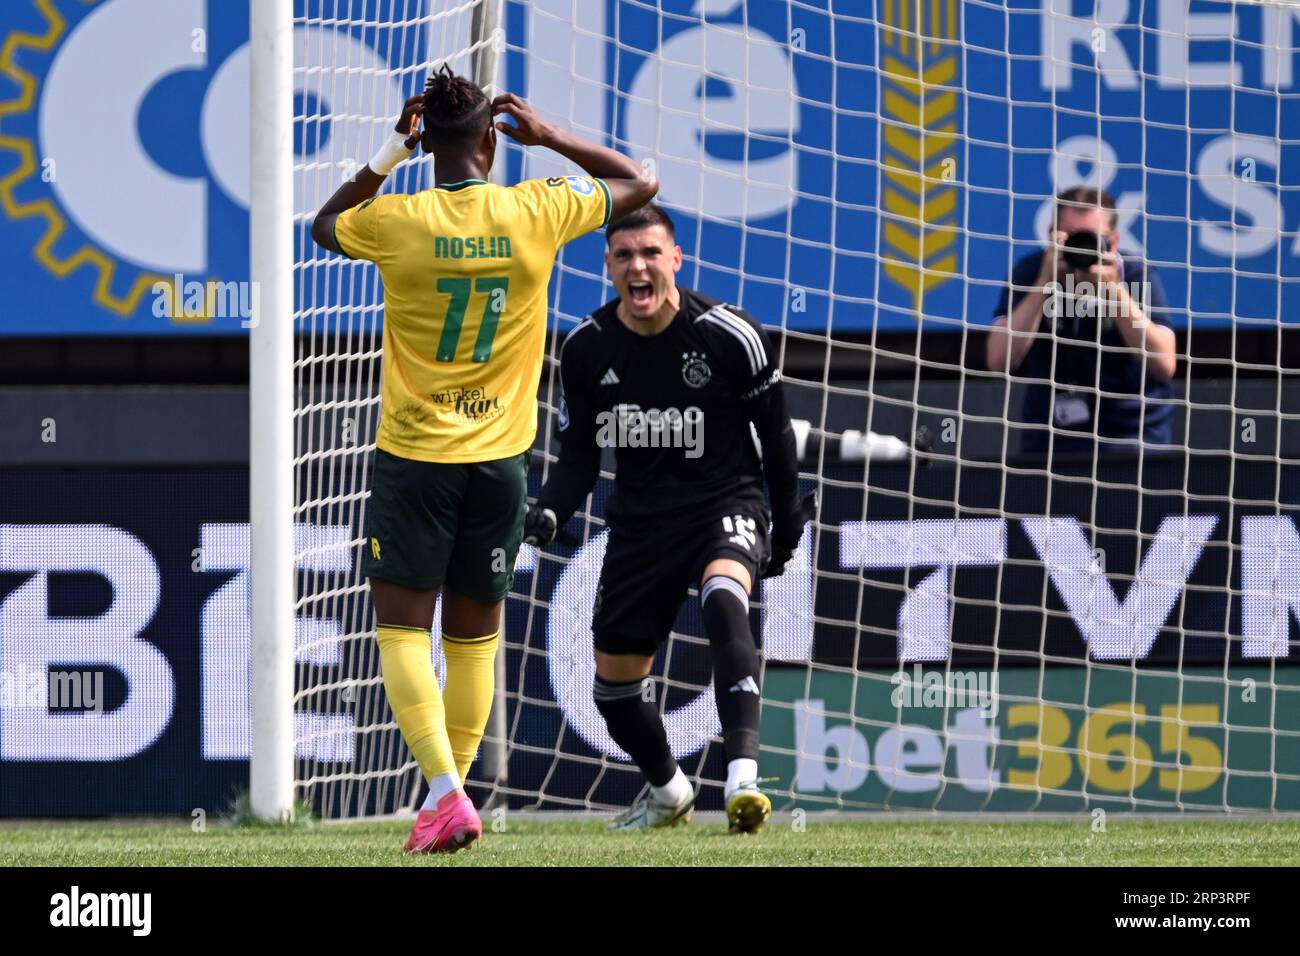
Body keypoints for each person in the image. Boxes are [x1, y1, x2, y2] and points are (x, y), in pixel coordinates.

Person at [310, 64, 657, 853]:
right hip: (501, 464)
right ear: (494, 141)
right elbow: (641, 181)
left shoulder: (398, 220)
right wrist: (554, 137)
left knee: (402, 635)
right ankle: (450, 798)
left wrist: (391, 156)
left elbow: (324, 228)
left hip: (416, 459)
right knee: (473, 642)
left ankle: (442, 793)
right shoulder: (536, 209)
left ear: (426, 137)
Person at [524, 204, 815, 833]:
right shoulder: (586, 348)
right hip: (640, 526)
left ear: (675, 260)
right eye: (625, 256)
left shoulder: (730, 336)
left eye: (651, 253)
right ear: (608, 266)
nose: (639, 266)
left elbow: (778, 439)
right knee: (614, 690)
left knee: (723, 601)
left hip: (725, 504)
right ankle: (669, 792)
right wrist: (547, 510)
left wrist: (786, 525)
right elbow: (578, 457)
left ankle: (743, 782)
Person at [985, 186, 1177, 456]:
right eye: (1071, 238)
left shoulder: (1134, 274)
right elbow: (998, 360)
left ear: (1113, 242)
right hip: (1051, 435)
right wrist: (1044, 283)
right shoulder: (1031, 272)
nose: (1081, 248)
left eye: (1091, 239)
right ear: (1053, 236)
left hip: (1132, 434)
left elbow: (1164, 363)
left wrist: (1113, 290)